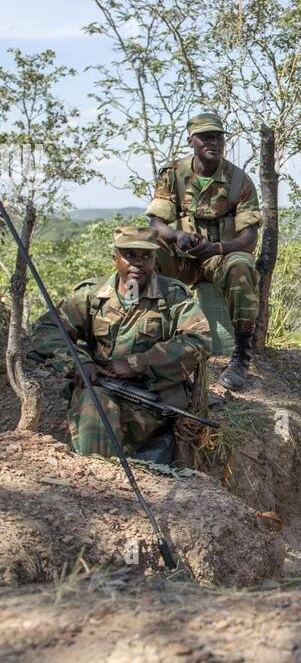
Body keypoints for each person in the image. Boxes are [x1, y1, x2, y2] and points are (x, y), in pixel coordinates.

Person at [28, 225, 211, 459]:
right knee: (95, 406)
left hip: (149, 401)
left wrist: (139, 363)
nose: (138, 263)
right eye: (129, 255)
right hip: (101, 390)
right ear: (115, 257)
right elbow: (48, 328)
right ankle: (98, 484)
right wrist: (79, 362)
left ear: (155, 259)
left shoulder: (172, 295)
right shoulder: (92, 294)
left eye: (146, 256)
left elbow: (200, 339)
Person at [146, 112, 261, 390]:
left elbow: (248, 237)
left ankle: (242, 356)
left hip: (219, 258)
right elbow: (156, 222)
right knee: (146, 250)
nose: (214, 142)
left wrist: (217, 248)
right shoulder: (174, 174)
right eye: (206, 136)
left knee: (242, 266)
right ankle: (146, 338)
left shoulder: (239, 181)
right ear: (191, 141)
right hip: (184, 259)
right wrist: (178, 236)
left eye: (219, 137)